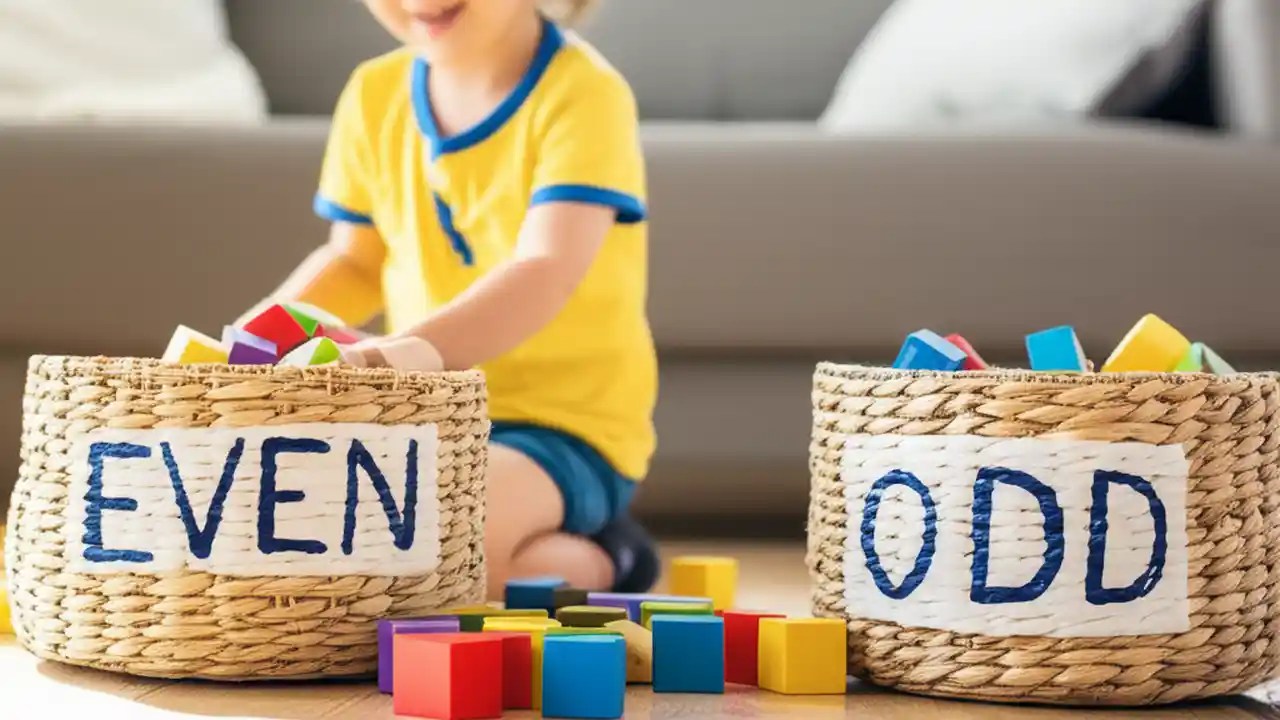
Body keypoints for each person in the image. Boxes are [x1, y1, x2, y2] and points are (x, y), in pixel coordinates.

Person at [242, 0, 658, 598]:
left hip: (564, 427)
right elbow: (356, 260)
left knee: (441, 557)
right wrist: (257, 335)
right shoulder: (374, 92)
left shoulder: (585, 94)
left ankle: (612, 559)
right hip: (428, 416)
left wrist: (403, 353)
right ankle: (547, 553)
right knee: (357, 546)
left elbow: (547, 268)